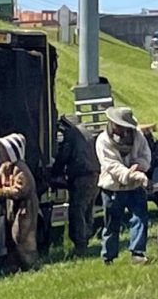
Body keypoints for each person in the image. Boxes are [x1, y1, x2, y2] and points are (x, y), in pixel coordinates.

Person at [0, 133, 39, 271]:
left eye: (5, 150)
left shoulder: (21, 169)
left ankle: (31, 266)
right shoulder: (5, 167)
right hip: (12, 206)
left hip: (25, 207)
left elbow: (21, 190)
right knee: (10, 237)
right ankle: (15, 266)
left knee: (22, 236)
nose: (2, 153)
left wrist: (2, 192)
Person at [95, 106, 151, 265]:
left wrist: (140, 165)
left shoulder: (138, 136)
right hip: (113, 188)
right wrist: (130, 174)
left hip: (135, 188)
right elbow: (111, 165)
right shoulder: (103, 141)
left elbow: (146, 155)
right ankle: (108, 257)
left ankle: (137, 253)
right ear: (113, 124)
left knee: (140, 218)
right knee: (112, 224)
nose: (122, 129)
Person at [52, 115, 100, 257]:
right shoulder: (88, 132)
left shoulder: (72, 134)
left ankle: (80, 246)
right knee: (88, 209)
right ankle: (86, 239)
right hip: (95, 175)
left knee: (77, 210)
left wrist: (55, 171)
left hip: (81, 176)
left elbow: (64, 155)